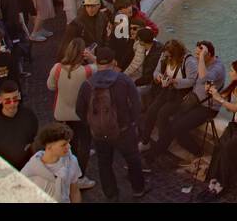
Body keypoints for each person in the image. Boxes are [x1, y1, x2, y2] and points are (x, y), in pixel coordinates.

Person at [75, 46, 147, 201]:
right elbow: (137, 105)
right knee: (133, 159)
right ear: (113, 62)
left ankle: (111, 194)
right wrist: (133, 123)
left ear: (97, 62)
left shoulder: (87, 85)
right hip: (123, 130)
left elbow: (79, 110)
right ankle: (138, 189)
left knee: (104, 163)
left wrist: (93, 123)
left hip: (100, 132)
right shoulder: (124, 80)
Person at [142, 40, 225, 164]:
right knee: (172, 124)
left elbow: (203, 78)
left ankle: (153, 156)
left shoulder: (217, 68)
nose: (196, 57)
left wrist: (201, 58)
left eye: (199, 54)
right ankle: (158, 152)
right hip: (193, 101)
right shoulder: (201, 63)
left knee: (176, 127)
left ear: (208, 55)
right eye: (197, 54)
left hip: (207, 107)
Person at [195, 59, 237, 202]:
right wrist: (212, 92)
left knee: (228, 148)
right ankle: (214, 180)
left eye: (232, 71)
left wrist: (219, 99)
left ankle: (223, 183)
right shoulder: (235, 85)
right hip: (236, 126)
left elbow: (235, 107)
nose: (230, 73)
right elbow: (223, 98)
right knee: (219, 146)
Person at [46, 38, 97, 188]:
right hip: (80, 114)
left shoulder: (56, 68)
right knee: (85, 143)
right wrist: (93, 58)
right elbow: (101, 67)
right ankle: (79, 177)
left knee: (69, 143)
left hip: (61, 113)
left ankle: (67, 170)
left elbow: (50, 86)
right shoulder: (87, 71)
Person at [0, 81, 39, 169]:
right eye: (8, 101)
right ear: (0, 100)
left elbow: (33, 142)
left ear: (19, 96)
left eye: (15, 99)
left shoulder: (29, 116)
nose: (12, 104)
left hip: (26, 169)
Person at [21, 123, 83, 203]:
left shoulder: (71, 161)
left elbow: (74, 192)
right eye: (63, 144)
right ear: (49, 146)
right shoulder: (30, 172)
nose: (69, 147)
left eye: (68, 142)